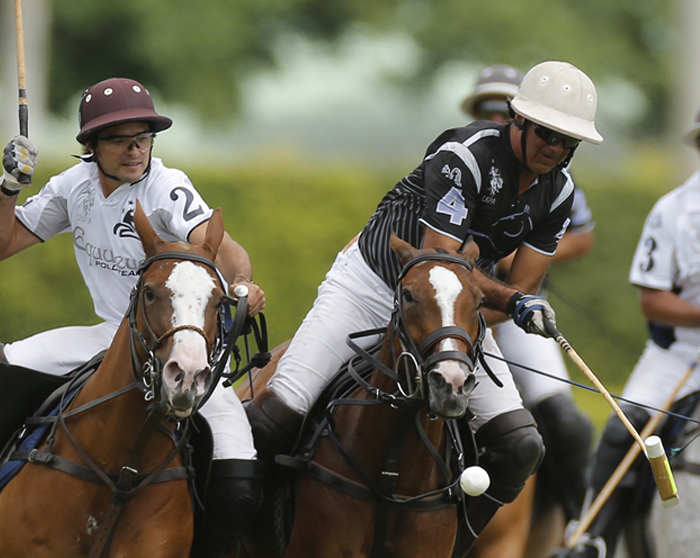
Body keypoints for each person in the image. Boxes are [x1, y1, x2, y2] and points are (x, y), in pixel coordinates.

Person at [0, 77, 266, 558]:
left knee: (240, 478)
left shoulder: (167, 187)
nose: (135, 150)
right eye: (120, 140)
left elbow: (225, 252)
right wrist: (8, 188)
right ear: (92, 145)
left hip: (175, 343)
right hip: (109, 336)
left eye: (142, 138)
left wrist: (242, 286)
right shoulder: (71, 188)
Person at [244, 60, 604, 558]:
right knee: (274, 418)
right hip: (371, 285)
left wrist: (517, 304)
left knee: (522, 447)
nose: (556, 149)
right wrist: (517, 302)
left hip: (452, 308)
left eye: (569, 142)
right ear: (517, 119)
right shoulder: (466, 156)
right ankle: (241, 539)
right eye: (547, 133)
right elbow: (438, 263)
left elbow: (520, 284)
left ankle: (454, 542)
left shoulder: (558, 191)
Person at [564, 106, 700, 558]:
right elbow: (653, 299)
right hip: (680, 355)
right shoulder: (675, 211)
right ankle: (593, 536)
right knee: (624, 430)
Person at [462, 64, 596, 523]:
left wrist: (522, 260)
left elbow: (582, 236)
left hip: (510, 310)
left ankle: (577, 527)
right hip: (446, 303)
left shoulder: (555, 176)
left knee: (567, 422)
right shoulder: (465, 159)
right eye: (489, 110)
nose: (496, 119)